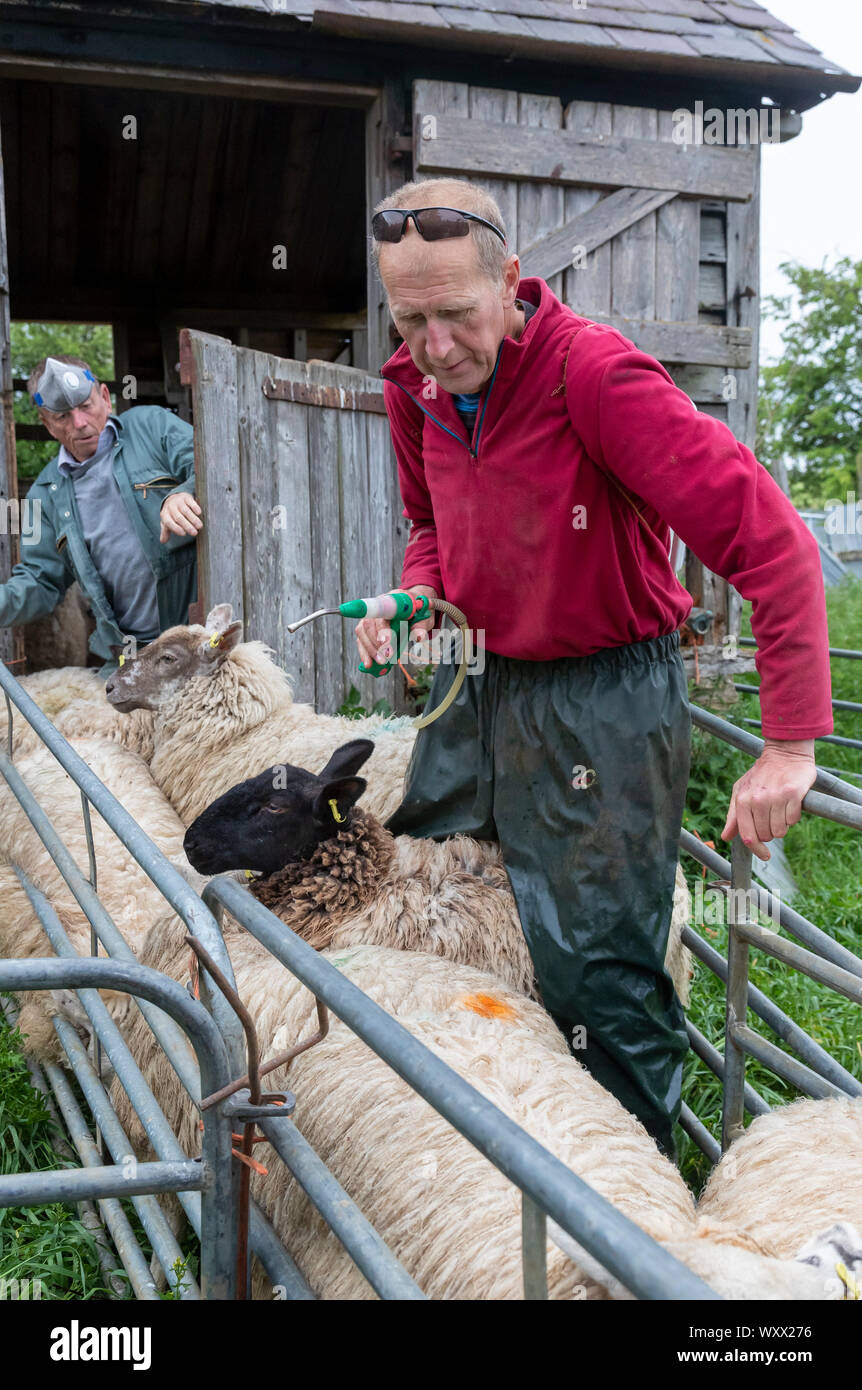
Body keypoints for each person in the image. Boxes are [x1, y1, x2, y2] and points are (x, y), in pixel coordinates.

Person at [355, 177, 832, 1159]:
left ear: (513, 283)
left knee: (596, 966)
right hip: (484, 682)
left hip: (603, 699)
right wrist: (415, 599)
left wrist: (787, 741)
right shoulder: (417, 391)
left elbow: (771, 540)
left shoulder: (594, 379)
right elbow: (429, 527)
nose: (434, 347)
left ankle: (626, 1199)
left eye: (454, 314)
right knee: (436, 894)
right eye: (409, 319)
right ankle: (499, 1142)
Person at [0, 355, 202, 674]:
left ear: (105, 398)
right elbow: (40, 579)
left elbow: (211, 464)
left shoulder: (151, 425)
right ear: (46, 423)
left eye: (85, 406)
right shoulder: (42, 495)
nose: (79, 423)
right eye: (63, 416)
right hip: (127, 663)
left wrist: (184, 491)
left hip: (197, 642)